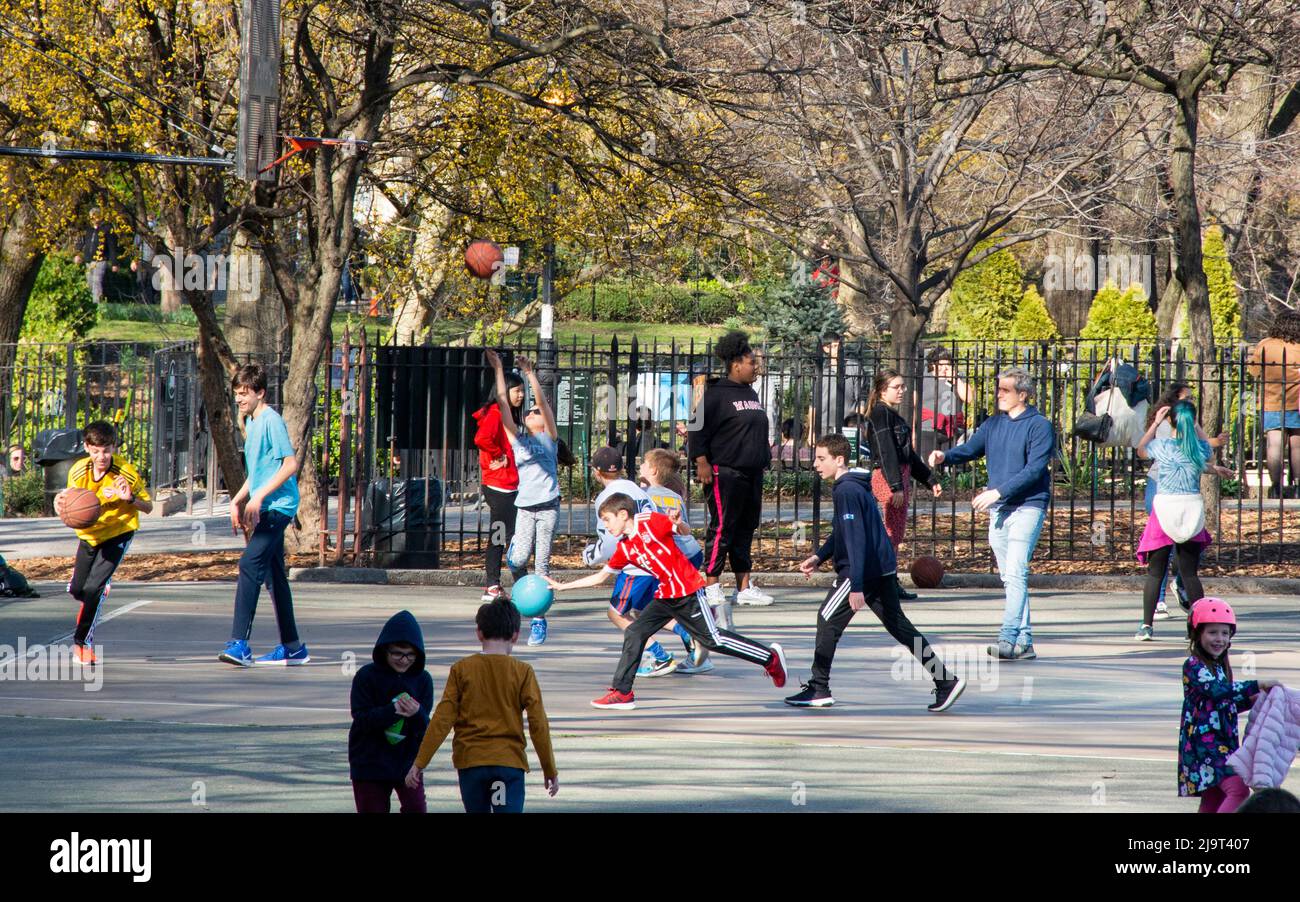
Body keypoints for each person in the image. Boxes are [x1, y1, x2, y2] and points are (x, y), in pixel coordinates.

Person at [548, 495, 787, 710]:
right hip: (665, 596)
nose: (606, 526)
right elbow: (600, 577)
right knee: (634, 632)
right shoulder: (625, 548)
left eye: (608, 520)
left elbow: (682, 531)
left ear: (623, 515)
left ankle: (769, 658)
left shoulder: (648, 521)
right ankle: (622, 692)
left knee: (712, 640)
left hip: (688, 592)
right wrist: (562, 586)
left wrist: (677, 521)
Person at [784, 434, 965, 711]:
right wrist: (819, 556)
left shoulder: (845, 490)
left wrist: (855, 585)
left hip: (863, 572)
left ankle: (819, 688)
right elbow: (846, 531)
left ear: (839, 459)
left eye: (821, 459)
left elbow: (856, 539)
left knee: (826, 618)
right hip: (881, 568)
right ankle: (945, 681)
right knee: (900, 627)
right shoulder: (856, 485)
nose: (816, 465)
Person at [929, 367, 1054, 661]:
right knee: (1010, 577)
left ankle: (1008, 639)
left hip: (1028, 505)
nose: (999, 394)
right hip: (1000, 508)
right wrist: (945, 456)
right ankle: (1026, 643)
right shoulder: (994, 424)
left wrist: (998, 492)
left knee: (1016, 571)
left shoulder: (1039, 426)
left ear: (1022, 394)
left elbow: (1034, 469)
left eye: (1005, 390)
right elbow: (972, 448)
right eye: (998, 389)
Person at [405, 598, 558, 813]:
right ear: (515, 635)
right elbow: (538, 724)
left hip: (471, 762)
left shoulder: (461, 669)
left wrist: (420, 762)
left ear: (479, 633)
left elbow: (442, 720)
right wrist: (549, 769)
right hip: (508, 762)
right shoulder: (523, 672)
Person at [219, 363, 310, 666]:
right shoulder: (252, 422)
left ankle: (239, 644)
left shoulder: (271, 420)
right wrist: (238, 499)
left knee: (248, 564)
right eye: (236, 394)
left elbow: (289, 465)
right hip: (267, 504)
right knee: (275, 577)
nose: (239, 399)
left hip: (278, 507)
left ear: (260, 392)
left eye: (244, 394)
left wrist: (258, 496)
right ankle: (293, 646)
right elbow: (259, 471)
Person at [688, 330, 775, 625]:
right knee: (723, 528)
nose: (757, 367)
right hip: (724, 472)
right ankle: (711, 586)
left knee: (745, 528)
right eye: (753, 362)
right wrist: (701, 461)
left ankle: (744, 587)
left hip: (751, 473)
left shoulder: (750, 393)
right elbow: (695, 428)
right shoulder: (716, 394)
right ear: (736, 364)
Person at [53, 420, 153, 665]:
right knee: (78, 590)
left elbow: (148, 506)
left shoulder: (125, 472)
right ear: (87, 447)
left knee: (93, 589)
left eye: (106, 450)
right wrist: (60, 503)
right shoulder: (78, 470)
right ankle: (95, 592)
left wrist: (129, 498)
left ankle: (82, 643)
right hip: (89, 535)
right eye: (96, 450)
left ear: (113, 447)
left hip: (118, 533)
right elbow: (71, 502)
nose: (102, 456)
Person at [1134, 401, 1234, 641]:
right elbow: (1208, 456)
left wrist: (1156, 423)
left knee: (1155, 573)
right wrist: (1197, 424)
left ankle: (1147, 626)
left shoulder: (1163, 445)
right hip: (1190, 508)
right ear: (1193, 421)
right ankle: (1199, 627)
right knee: (1189, 574)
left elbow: (1141, 449)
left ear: (1171, 421)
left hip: (1165, 508)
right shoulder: (1198, 448)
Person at [584, 446, 680, 676]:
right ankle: (688, 634)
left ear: (597, 472)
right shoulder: (637, 489)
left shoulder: (607, 499)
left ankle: (660, 656)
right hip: (651, 561)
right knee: (644, 609)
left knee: (616, 614)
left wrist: (590, 555)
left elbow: (609, 544)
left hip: (632, 565)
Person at [485, 350, 559, 647]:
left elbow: (542, 403)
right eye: (528, 411)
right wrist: (500, 369)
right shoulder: (518, 441)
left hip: (549, 507)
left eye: (535, 412)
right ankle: (518, 567)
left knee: (542, 565)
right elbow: (503, 402)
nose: (531, 411)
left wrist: (530, 373)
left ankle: (539, 621)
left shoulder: (549, 439)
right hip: (525, 508)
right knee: (516, 559)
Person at [1179, 598, 1276, 813]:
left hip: (1220, 743)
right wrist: (1255, 684)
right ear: (1197, 633)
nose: (1219, 639)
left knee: (1214, 798)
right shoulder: (1194, 665)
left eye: (1224, 633)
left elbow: (1222, 703)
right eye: (1212, 632)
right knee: (1238, 790)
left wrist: (1253, 700)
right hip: (1205, 745)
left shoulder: (1218, 667)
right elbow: (1217, 690)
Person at [864, 369, 943, 600]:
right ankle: (885, 585)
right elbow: (886, 451)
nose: (902, 391)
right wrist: (896, 486)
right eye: (896, 387)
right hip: (889, 479)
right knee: (888, 535)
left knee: (893, 535)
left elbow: (907, 454)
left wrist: (929, 479)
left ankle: (887, 583)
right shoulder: (880, 413)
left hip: (898, 476)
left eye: (902, 386)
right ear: (881, 390)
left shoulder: (891, 414)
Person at [349, 610, 434, 813]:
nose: (404, 660)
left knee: (416, 807)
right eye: (397, 653)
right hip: (370, 762)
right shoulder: (366, 676)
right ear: (385, 650)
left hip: (407, 762)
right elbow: (361, 718)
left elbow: (425, 729)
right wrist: (392, 710)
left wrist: (417, 713)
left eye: (410, 655)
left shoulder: (423, 680)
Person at [639, 447, 711, 673]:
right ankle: (695, 650)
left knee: (650, 607)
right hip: (691, 551)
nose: (640, 465)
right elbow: (684, 528)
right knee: (673, 604)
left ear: (651, 470)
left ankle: (694, 650)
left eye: (643, 462)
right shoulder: (675, 496)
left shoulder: (644, 496)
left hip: (674, 558)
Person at [472, 362, 524, 602]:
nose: (521, 395)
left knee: (509, 535)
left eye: (523, 391)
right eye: (517, 391)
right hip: (499, 484)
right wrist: (498, 456)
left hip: (506, 484)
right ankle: (494, 584)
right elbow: (482, 438)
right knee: (502, 535)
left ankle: (509, 582)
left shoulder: (503, 414)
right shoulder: (495, 413)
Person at [1246, 310, 1300, 498]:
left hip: (1272, 401)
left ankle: (1275, 486)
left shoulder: (1265, 345)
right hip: (1298, 402)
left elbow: (1253, 371)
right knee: (1297, 446)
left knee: (1274, 445)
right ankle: (1298, 487)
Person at [918, 348, 974, 460]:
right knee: (930, 465)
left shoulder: (959, 377)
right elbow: (914, 403)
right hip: (928, 429)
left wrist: (955, 379)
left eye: (947, 364)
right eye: (940, 364)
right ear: (932, 364)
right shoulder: (923, 378)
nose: (944, 368)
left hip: (952, 429)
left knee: (950, 464)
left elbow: (969, 398)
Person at [73, 207, 119, 304]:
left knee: (96, 283)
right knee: (89, 283)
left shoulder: (107, 229)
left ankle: (97, 305)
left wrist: (114, 262)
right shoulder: (88, 229)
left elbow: (112, 246)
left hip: (100, 261)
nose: (94, 219)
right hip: (89, 261)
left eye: (96, 217)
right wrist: (77, 254)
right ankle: (90, 305)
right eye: (92, 217)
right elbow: (81, 242)